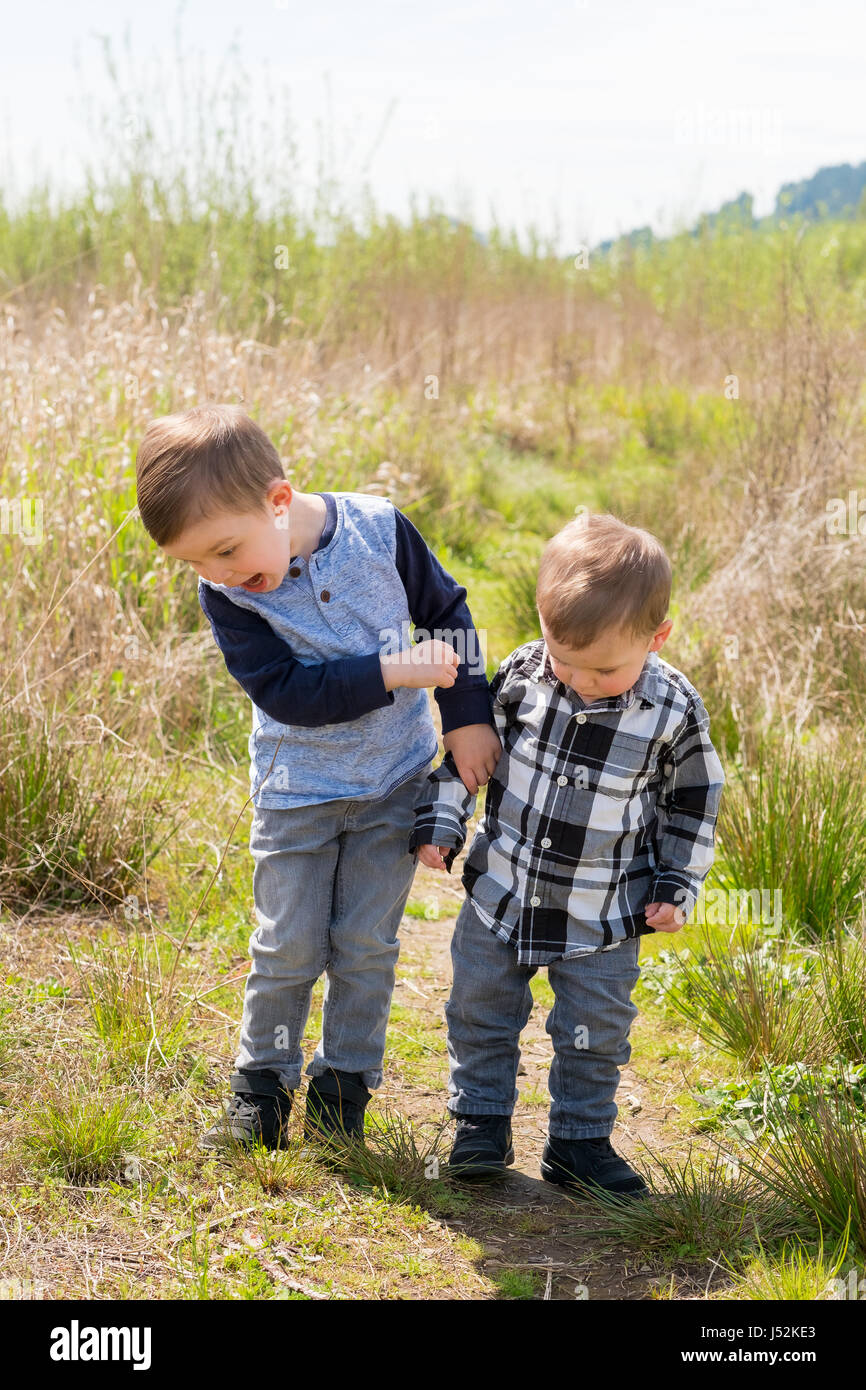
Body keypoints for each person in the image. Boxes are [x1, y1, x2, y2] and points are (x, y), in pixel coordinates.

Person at [134, 403, 501, 1149]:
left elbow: (448, 612)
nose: (219, 575)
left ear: (278, 500)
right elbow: (287, 695)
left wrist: (467, 713)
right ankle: (261, 1086)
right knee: (289, 946)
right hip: (296, 793)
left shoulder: (380, 530)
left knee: (366, 944)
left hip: (392, 782)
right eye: (197, 563)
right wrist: (393, 669)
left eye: (227, 550)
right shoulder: (229, 595)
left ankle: (344, 1091)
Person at [409, 512, 725, 1198]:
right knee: (479, 1012)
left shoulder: (673, 711)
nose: (580, 681)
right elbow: (468, 758)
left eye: (605, 670)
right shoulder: (524, 675)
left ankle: (579, 1141)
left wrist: (676, 882)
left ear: (658, 637)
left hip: (602, 914)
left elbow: (694, 803)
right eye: (565, 661)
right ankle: (480, 1123)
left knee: (595, 1031)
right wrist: (441, 823)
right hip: (503, 892)